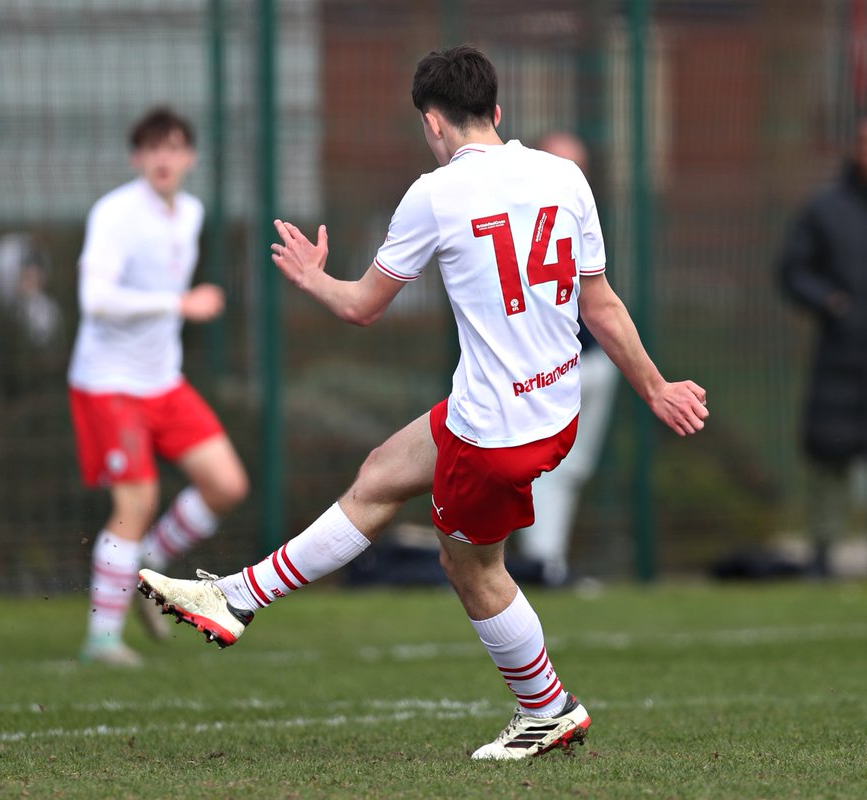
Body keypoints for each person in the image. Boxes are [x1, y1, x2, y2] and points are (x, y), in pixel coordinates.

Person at [139, 45, 707, 759]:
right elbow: (600, 303)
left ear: (432, 124)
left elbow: (362, 308)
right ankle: (236, 599)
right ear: (497, 112)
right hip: (553, 409)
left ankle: (549, 709)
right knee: (381, 473)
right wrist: (656, 385)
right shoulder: (565, 176)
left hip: (493, 433)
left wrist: (315, 278)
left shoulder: (435, 193)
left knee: (473, 570)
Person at [69, 107, 248, 667]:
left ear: (190, 157)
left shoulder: (189, 212)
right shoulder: (116, 213)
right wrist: (180, 303)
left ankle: (144, 564)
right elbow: (94, 301)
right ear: (136, 158)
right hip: (108, 383)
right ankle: (102, 638)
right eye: (152, 148)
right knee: (136, 501)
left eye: (174, 148)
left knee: (226, 484)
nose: (163, 158)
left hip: (162, 383)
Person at [509, 131, 620, 588]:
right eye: (562, 162)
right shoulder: (513, 216)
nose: (573, 174)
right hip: (549, 368)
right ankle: (541, 566)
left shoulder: (581, 212)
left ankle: (549, 565)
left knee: (573, 471)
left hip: (595, 360)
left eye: (580, 165)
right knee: (540, 469)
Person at [779, 114, 867, 577]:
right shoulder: (826, 208)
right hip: (841, 355)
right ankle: (823, 550)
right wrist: (831, 302)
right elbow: (793, 271)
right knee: (829, 452)